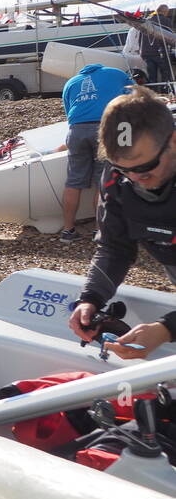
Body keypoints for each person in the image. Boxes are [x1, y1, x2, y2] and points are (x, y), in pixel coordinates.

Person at [68, 86, 176, 359]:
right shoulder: (117, 181)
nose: (135, 177)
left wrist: (167, 329)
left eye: (143, 167)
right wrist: (90, 299)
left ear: (173, 140)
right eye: (122, 168)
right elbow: (114, 248)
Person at [56, 62, 132, 241]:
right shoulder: (116, 73)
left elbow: (69, 114)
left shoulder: (71, 82)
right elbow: (134, 98)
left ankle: (68, 231)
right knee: (102, 181)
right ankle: (99, 231)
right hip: (104, 128)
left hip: (76, 131)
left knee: (73, 181)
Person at [139, 10, 170, 86]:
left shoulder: (145, 20)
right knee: (165, 75)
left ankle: (153, 94)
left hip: (146, 53)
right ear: (165, 12)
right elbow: (169, 37)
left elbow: (140, 38)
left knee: (152, 77)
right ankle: (166, 93)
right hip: (160, 52)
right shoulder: (166, 20)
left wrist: (141, 51)